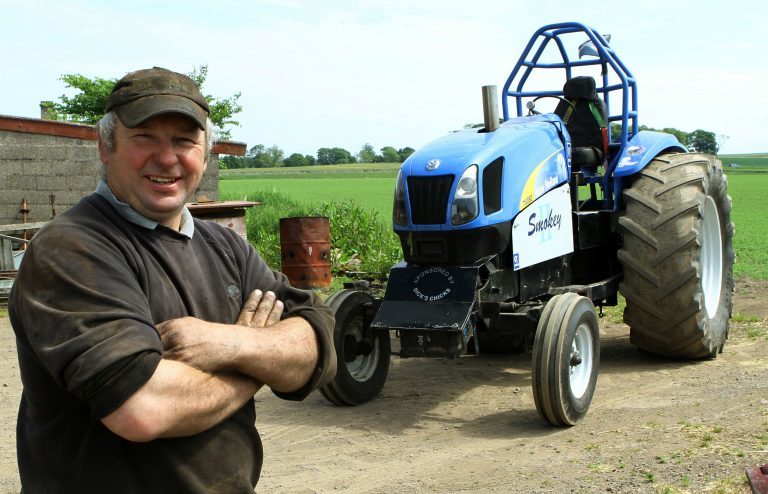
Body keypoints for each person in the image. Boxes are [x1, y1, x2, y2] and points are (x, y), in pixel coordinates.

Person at [9, 67, 336, 493]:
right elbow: (143, 408)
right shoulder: (72, 249)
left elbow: (322, 342)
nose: (167, 159)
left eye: (184, 141)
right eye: (145, 137)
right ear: (105, 147)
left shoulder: (226, 247)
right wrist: (258, 368)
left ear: (205, 152)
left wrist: (232, 344)